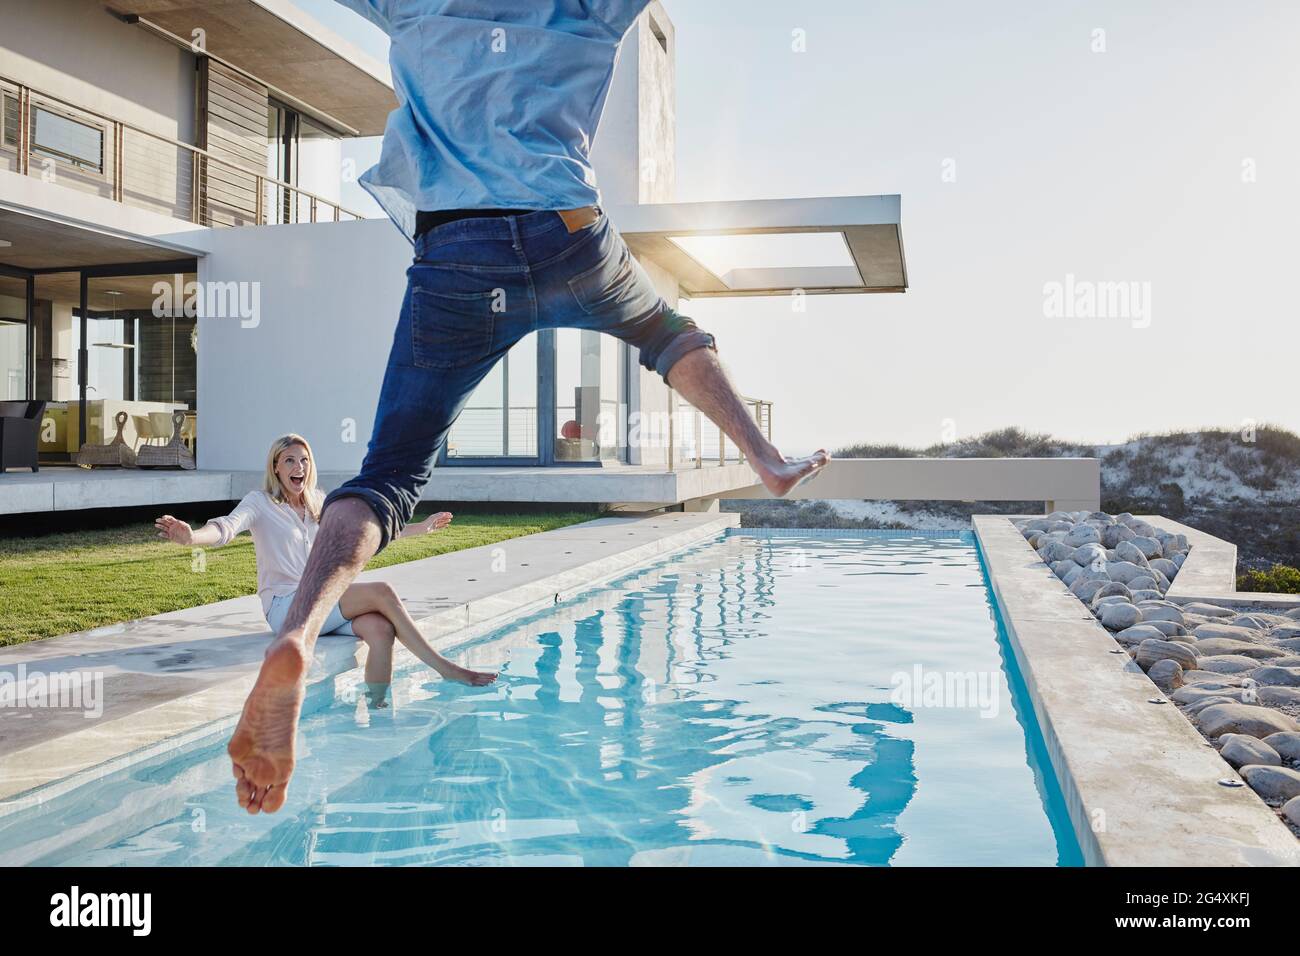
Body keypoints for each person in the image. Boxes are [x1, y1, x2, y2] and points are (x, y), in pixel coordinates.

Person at [228, 0, 831, 815]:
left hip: (456, 253)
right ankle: (765, 456)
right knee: (669, 329)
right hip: (570, 233)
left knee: (388, 476)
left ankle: (296, 635)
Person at [157, 434, 496, 707]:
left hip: (321, 603)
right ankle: (444, 667)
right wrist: (192, 538)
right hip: (286, 608)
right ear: (276, 467)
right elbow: (227, 528)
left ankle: (377, 712)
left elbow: (364, 532)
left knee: (380, 631)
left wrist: (420, 529)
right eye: (289, 460)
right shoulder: (260, 503)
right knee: (382, 592)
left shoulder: (320, 503)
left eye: (304, 460)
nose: (298, 466)